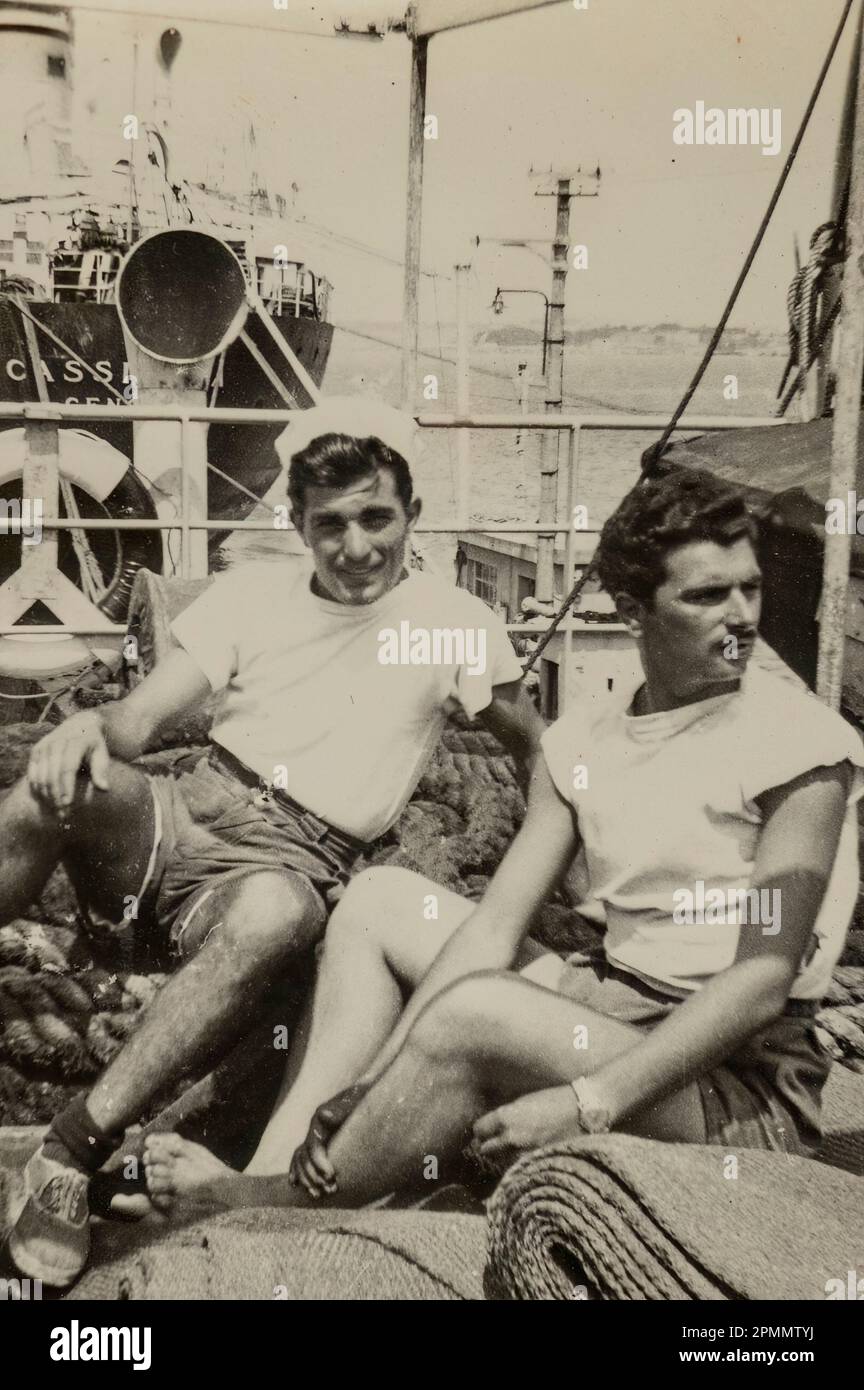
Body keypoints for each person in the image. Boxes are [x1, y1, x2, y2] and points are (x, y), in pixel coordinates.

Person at [141, 467, 864, 1216]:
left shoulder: (800, 750)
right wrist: (371, 1083)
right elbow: (493, 925)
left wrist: (588, 1103)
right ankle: (285, 1158)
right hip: (614, 1009)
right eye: (707, 595)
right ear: (632, 610)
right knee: (379, 901)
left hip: (734, 1084)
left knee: (476, 1011)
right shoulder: (582, 742)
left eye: (748, 588)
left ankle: (266, 1202)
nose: (741, 615)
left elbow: (761, 983)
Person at [2, 397, 542, 1286]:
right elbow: (139, 720)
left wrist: (584, 863)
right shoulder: (253, 595)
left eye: (377, 518)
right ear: (296, 522)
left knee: (279, 910)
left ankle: (68, 1153)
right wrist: (85, 729)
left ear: (413, 515)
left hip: (285, 862)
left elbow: (536, 754)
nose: (357, 546)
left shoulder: (458, 625)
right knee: (53, 784)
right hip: (184, 811)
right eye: (329, 524)